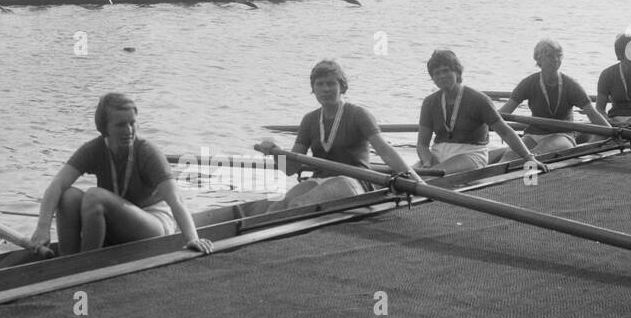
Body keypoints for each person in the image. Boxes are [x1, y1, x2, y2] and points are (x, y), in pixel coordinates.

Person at [30, 93, 213, 256]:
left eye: (132, 123)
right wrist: (43, 228)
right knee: (67, 195)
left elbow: (177, 200)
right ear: (104, 129)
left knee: (94, 197)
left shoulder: (148, 152)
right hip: (118, 218)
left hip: (155, 222)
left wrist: (192, 238)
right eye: (120, 125)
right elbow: (57, 185)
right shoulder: (93, 149)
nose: (129, 130)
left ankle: (86, 264)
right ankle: (66, 261)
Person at [254, 59, 422, 207]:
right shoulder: (309, 120)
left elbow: (385, 151)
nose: (325, 89)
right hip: (319, 180)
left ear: (342, 87)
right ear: (313, 88)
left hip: (354, 181)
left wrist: (417, 183)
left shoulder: (358, 114)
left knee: (299, 204)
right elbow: (291, 169)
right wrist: (275, 152)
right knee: (278, 206)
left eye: (331, 83)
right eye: (319, 84)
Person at [416, 50, 547, 175]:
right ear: (432, 78)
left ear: (457, 72)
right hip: (437, 153)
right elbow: (422, 144)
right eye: (437, 73)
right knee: (407, 174)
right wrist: (427, 163)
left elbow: (505, 132)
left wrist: (529, 158)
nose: (442, 76)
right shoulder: (429, 102)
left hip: (471, 154)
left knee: (430, 176)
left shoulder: (479, 100)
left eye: (446, 71)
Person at [496, 39, 612, 157]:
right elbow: (503, 113)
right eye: (550, 56)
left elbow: (593, 115)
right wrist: (483, 121)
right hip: (532, 135)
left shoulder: (570, 85)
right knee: (509, 157)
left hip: (562, 136)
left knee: (537, 154)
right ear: (539, 59)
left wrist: (609, 134)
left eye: (559, 56)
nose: (556, 60)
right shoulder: (528, 83)